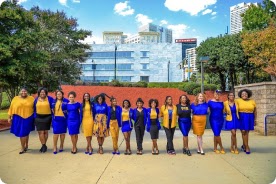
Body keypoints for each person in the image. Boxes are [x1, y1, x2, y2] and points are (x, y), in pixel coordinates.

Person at [8, 87, 35, 154]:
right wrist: (9, 117)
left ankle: (26, 145)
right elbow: (11, 108)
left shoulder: (31, 98)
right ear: (20, 92)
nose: (23, 92)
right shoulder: (15, 98)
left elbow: (35, 108)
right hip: (18, 117)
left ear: (27, 92)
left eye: (25, 91)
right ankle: (22, 147)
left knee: (26, 132)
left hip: (28, 117)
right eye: (22, 91)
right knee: (22, 133)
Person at [236, 89, 257, 154]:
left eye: (245, 94)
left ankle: (244, 145)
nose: (244, 95)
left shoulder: (252, 101)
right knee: (243, 131)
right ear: (240, 95)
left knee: (246, 132)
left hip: (250, 117)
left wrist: (255, 119)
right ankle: (247, 146)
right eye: (242, 94)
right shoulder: (237, 101)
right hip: (241, 116)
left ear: (248, 95)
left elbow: (255, 111)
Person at [34, 87, 54, 153]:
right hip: (38, 117)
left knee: (45, 132)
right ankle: (43, 145)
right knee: (40, 132)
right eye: (41, 92)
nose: (42, 93)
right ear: (39, 93)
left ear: (46, 93)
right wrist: (34, 117)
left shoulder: (50, 99)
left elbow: (53, 107)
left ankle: (44, 145)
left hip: (47, 117)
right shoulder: (36, 99)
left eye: (44, 92)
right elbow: (33, 109)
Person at [51, 90, 69, 154]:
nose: (59, 95)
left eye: (60, 94)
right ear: (56, 95)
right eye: (58, 94)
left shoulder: (66, 101)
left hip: (63, 119)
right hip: (56, 119)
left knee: (62, 133)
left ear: (62, 95)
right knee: (55, 133)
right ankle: (55, 147)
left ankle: (61, 145)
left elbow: (70, 107)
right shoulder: (53, 101)